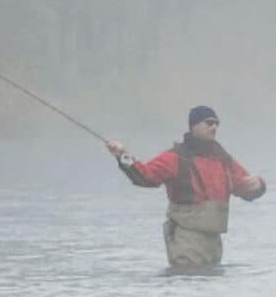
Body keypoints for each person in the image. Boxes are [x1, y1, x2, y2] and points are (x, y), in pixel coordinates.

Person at [106, 106, 266, 267]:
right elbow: (145, 177)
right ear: (194, 126)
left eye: (217, 124)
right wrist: (122, 155)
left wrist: (258, 186)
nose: (214, 127)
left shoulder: (223, 159)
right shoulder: (176, 157)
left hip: (214, 242)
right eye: (209, 123)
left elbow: (245, 188)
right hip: (186, 240)